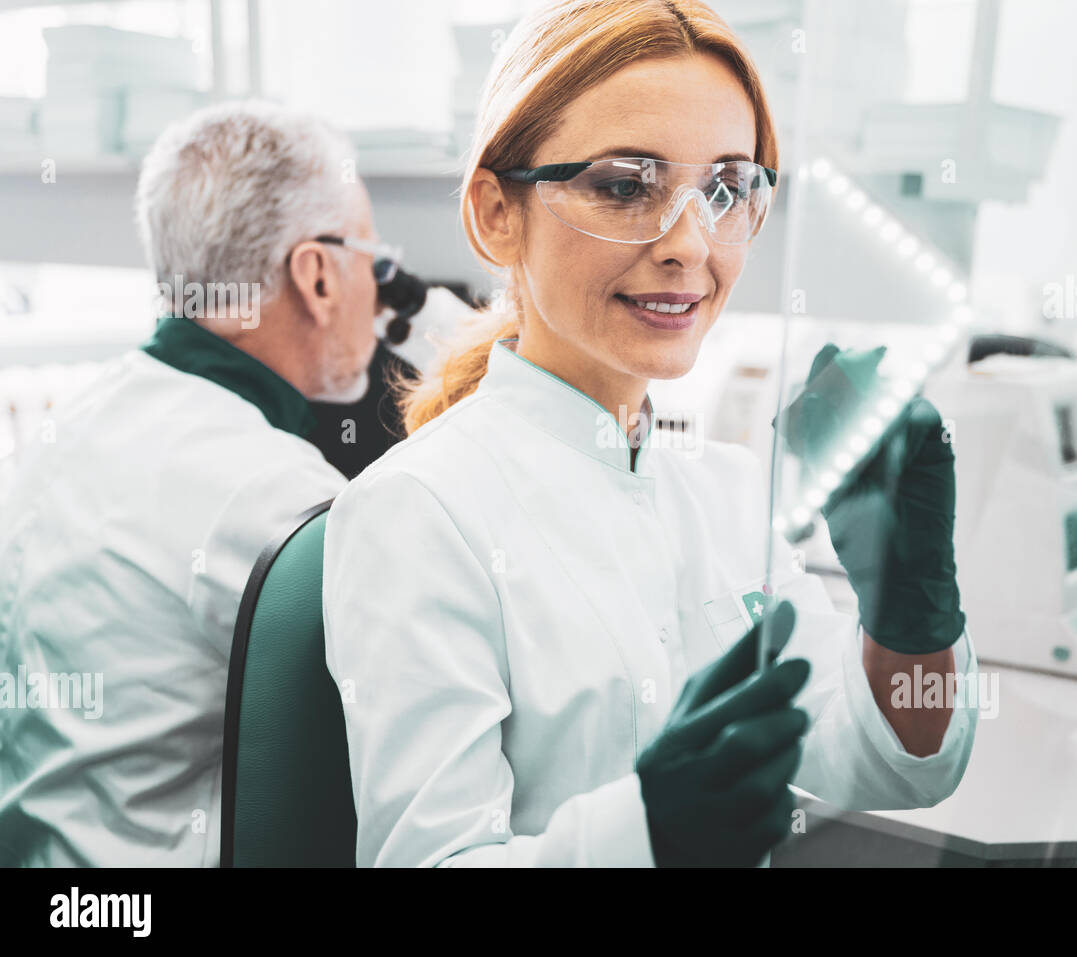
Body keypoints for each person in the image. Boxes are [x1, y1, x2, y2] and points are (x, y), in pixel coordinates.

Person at [323, 0, 978, 867]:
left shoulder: (734, 491)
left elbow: (891, 766)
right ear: (495, 213)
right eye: (626, 185)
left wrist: (910, 605)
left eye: (725, 188)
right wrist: (642, 834)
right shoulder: (419, 513)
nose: (688, 244)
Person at [0, 101, 387, 866]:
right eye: (374, 261)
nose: (380, 295)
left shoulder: (63, 429)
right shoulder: (277, 499)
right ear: (315, 274)